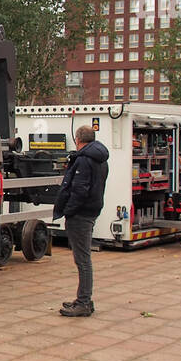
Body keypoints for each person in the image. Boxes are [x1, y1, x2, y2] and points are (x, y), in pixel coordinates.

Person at [53, 125, 109, 317]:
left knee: (83, 260)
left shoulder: (84, 160)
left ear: (78, 139)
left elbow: (79, 189)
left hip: (80, 214)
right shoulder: (100, 159)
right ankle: (83, 299)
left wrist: (68, 210)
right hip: (91, 211)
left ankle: (84, 302)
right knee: (83, 259)